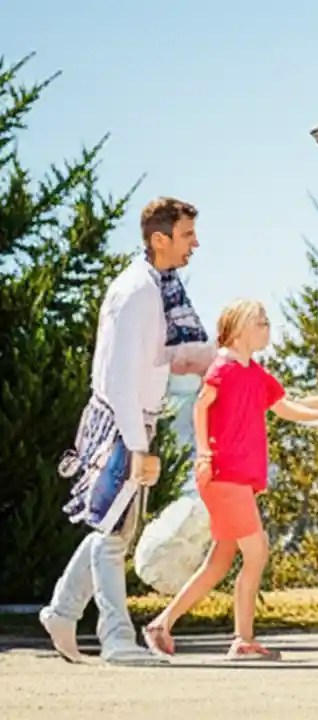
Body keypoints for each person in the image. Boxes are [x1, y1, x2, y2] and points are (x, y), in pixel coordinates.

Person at [41, 197, 216, 664]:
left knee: (112, 525)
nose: (195, 243)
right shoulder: (137, 292)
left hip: (135, 419)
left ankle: (62, 611)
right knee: (113, 532)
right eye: (186, 235)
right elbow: (119, 376)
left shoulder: (161, 288)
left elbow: (172, 354)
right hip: (120, 422)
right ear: (159, 239)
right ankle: (115, 637)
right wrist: (137, 446)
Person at [140, 299, 318, 660]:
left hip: (237, 478)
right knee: (256, 552)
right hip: (224, 476)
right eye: (261, 322)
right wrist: (205, 453)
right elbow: (201, 407)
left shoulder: (255, 373)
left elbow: (292, 406)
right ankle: (242, 640)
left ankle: (162, 624)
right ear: (240, 329)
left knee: (220, 562)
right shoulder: (223, 367)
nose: (268, 327)